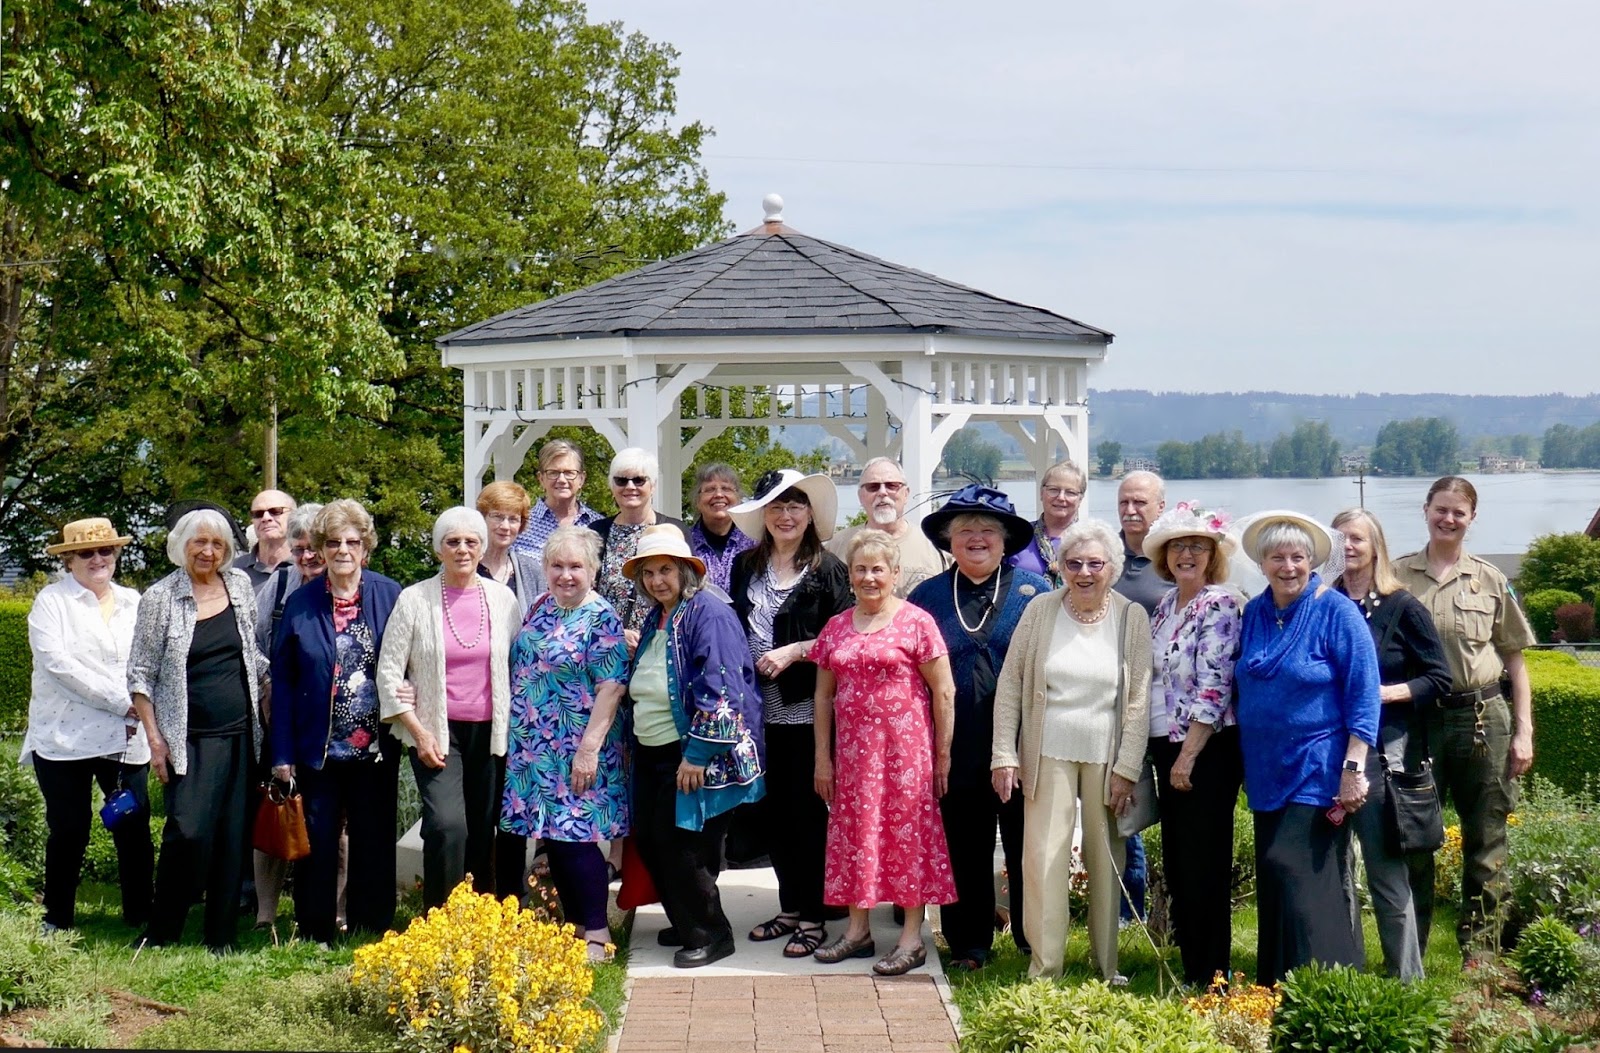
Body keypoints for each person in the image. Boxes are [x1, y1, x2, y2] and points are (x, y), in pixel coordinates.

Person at [992, 518, 1152, 982]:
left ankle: (1106, 965)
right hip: (1047, 750)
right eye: (1074, 563)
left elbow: (1139, 699)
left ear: (1112, 568)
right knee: (1044, 856)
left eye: (1095, 564)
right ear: (1060, 567)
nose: (1084, 572)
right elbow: (1011, 683)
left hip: (1107, 754)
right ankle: (1045, 968)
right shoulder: (1041, 610)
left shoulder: (1130, 617)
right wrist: (1004, 753)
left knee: (1106, 860)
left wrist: (1127, 767)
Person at [1393, 477, 1536, 967]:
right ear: (1426, 510)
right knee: (1414, 839)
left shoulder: (1490, 580)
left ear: (1472, 518)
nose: (1448, 519)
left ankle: (1481, 957)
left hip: (1482, 721)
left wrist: (1524, 732)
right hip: (1419, 724)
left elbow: (1515, 660)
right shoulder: (1396, 577)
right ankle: (1409, 956)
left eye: (1459, 512)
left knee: (1486, 839)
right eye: (1441, 509)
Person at [1234, 510, 1380, 984]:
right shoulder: (1255, 612)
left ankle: (1327, 982)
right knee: (1275, 877)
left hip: (1318, 765)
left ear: (1313, 560)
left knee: (1297, 866)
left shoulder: (1336, 612)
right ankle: (1277, 986)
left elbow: (1364, 695)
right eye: (1277, 558)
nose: (1288, 567)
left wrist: (1353, 769)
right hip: (1265, 769)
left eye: (1298, 557)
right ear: (1262, 563)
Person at [907, 485, 1048, 969]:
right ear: (948, 540)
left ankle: (1035, 941)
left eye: (988, 529)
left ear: (1006, 540)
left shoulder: (1038, 594)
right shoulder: (926, 597)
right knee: (963, 843)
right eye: (965, 529)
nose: (977, 538)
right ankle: (969, 944)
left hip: (1024, 745)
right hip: (954, 744)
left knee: (1028, 844)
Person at [812, 529, 957, 975]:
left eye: (878, 569)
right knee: (855, 835)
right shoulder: (837, 626)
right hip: (854, 758)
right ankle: (858, 931)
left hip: (905, 756)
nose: (869, 577)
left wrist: (943, 755)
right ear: (850, 575)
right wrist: (822, 758)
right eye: (860, 569)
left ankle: (911, 939)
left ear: (895, 573)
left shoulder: (917, 622)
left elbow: (944, 691)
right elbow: (823, 696)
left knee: (907, 838)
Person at [624, 525, 765, 969]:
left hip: (690, 752)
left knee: (684, 847)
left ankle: (711, 935)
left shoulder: (709, 613)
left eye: (665, 570)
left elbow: (721, 688)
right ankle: (686, 920)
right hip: (652, 749)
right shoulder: (659, 616)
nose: (656, 580)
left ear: (686, 571)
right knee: (652, 841)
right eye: (648, 573)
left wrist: (697, 755)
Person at [128, 506, 268, 951]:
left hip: (241, 732)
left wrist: (273, 687)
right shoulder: (161, 597)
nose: (209, 551)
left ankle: (221, 936)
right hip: (186, 737)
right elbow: (140, 675)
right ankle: (162, 930)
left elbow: (251, 653)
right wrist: (155, 741)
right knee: (187, 832)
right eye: (200, 542)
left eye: (218, 544)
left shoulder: (239, 585)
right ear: (182, 545)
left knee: (231, 836)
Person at [729, 468, 852, 957]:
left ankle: (815, 915)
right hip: (758, 711)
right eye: (776, 506)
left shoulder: (828, 569)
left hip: (807, 709)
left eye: (795, 505)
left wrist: (796, 650)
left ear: (810, 514)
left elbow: (846, 637)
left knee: (807, 815)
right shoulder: (746, 566)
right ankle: (789, 907)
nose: (786, 515)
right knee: (774, 813)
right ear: (763, 515)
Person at [269, 500, 404, 944]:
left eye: (352, 542)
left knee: (374, 838)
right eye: (333, 543)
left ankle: (371, 928)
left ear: (366, 547)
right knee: (318, 840)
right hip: (318, 747)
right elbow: (283, 682)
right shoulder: (301, 603)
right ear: (321, 550)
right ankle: (315, 931)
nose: (343, 550)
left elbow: (412, 661)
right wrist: (282, 753)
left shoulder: (390, 594)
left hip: (376, 747)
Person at [377, 507, 522, 909]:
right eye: (452, 542)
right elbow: (388, 673)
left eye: (471, 541)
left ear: (482, 548)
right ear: (439, 549)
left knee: (482, 829)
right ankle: (441, 919)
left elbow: (519, 663)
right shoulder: (414, 599)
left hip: (491, 734)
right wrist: (417, 731)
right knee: (446, 825)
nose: (462, 549)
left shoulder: (503, 600)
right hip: (434, 732)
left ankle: (481, 917)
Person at [1331, 507, 1452, 980]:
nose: (1347, 546)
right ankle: (1346, 969)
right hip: (1327, 752)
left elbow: (1438, 678)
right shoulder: (1322, 601)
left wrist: (1381, 694)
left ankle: (1406, 979)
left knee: (1385, 870)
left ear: (1375, 546)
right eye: (1339, 538)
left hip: (1381, 754)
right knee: (1335, 869)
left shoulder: (1402, 606)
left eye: (1357, 538)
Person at [501, 526, 629, 962]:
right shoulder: (541, 605)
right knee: (554, 839)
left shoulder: (600, 616)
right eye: (557, 565)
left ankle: (598, 934)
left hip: (578, 746)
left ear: (592, 570)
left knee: (577, 838)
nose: (566, 575)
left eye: (576, 566)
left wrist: (588, 750)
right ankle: (576, 926)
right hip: (536, 747)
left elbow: (612, 687)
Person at [22, 518, 151, 934]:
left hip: (126, 738)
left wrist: (144, 704)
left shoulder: (134, 601)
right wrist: (123, 702)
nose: (98, 559)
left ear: (116, 554)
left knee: (133, 825)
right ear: (69, 560)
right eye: (86, 553)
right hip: (65, 737)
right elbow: (59, 667)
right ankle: (57, 917)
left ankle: (141, 915)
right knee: (69, 830)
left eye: (105, 550)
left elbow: (149, 659)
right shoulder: (51, 603)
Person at [1141, 502, 1246, 987]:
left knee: (1204, 863)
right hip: (1168, 744)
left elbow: (1214, 685)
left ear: (1212, 556)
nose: (1186, 554)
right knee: (1181, 861)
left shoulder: (1218, 604)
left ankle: (1213, 974)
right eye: (1178, 546)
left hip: (1205, 750)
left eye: (1197, 547)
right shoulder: (1167, 605)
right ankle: (1193, 968)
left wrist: (1188, 756)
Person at [251, 501, 322, 933]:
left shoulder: (348, 586)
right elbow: (252, 642)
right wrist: (268, 681)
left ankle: (333, 909)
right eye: (299, 549)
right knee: (276, 806)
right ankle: (265, 913)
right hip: (280, 717)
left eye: (315, 548)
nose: (307, 557)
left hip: (330, 722)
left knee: (333, 820)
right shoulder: (278, 586)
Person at [1111, 470, 1167, 927]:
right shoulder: (1106, 558)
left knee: (1176, 806)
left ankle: (1171, 910)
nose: (1131, 511)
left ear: (1160, 507)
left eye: (1141, 503)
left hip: (1168, 705)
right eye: (1124, 502)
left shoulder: (1172, 558)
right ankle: (1129, 910)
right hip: (1116, 703)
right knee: (1123, 805)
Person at [593, 447, 688, 653]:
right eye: (621, 480)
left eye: (639, 480)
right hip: (606, 649)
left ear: (653, 485)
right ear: (612, 486)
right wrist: (615, 634)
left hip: (662, 646)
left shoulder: (674, 530)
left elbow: (687, 590)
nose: (630, 487)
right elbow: (586, 595)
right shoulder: (596, 532)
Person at [826, 457, 948, 597]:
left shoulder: (935, 545)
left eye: (892, 485)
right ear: (860, 496)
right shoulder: (836, 547)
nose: (882, 492)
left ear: (906, 493)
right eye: (873, 487)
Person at [512, 438, 603, 564]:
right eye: (553, 473)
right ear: (541, 479)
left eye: (569, 473)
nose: (561, 480)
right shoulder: (519, 526)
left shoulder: (599, 526)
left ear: (581, 479)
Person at [1010, 460, 1086, 587]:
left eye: (1070, 492)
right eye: (1053, 490)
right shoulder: (1018, 537)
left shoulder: (1089, 540)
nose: (1061, 497)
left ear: (1080, 499)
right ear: (1041, 493)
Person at [476, 481, 547, 619]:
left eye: (513, 519)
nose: (505, 526)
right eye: (497, 516)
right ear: (482, 518)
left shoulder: (532, 570)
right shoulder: (462, 565)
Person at [686, 463, 756, 592]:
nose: (718, 494)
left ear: (738, 499)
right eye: (710, 489)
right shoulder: (685, 545)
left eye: (726, 488)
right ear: (697, 501)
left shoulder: (754, 542)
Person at [235, 489, 298, 591]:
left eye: (275, 511)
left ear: (294, 516)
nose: (266, 518)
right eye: (258, 514)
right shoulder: (234, 571)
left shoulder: (307, 566)